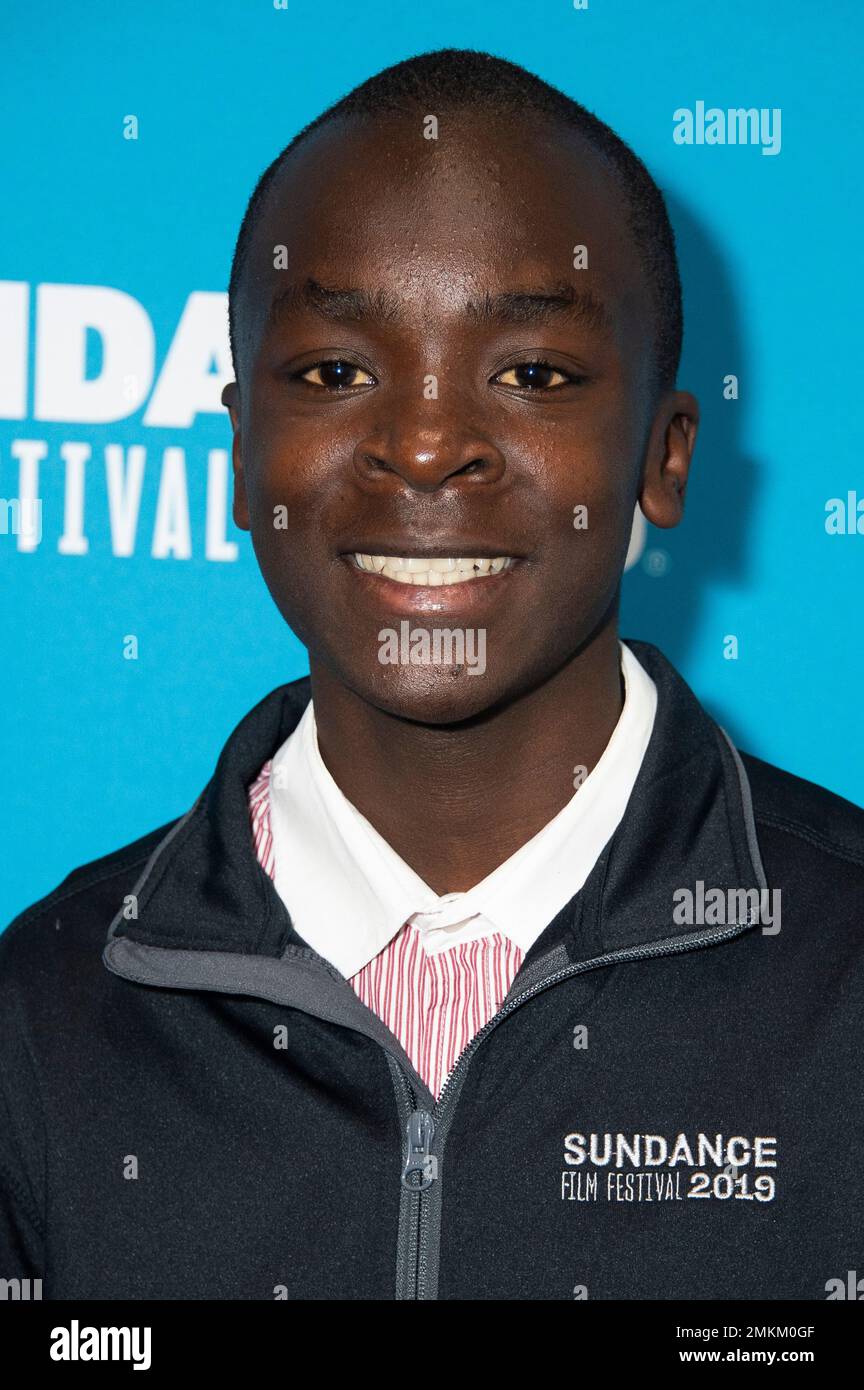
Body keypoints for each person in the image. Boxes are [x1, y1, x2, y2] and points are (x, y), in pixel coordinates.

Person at [1, 48, 862, 1302]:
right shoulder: (48, 1014)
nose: (421, 444)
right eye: (337, 373)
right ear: (242, 453)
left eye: (533, 374)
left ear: (662, 460)